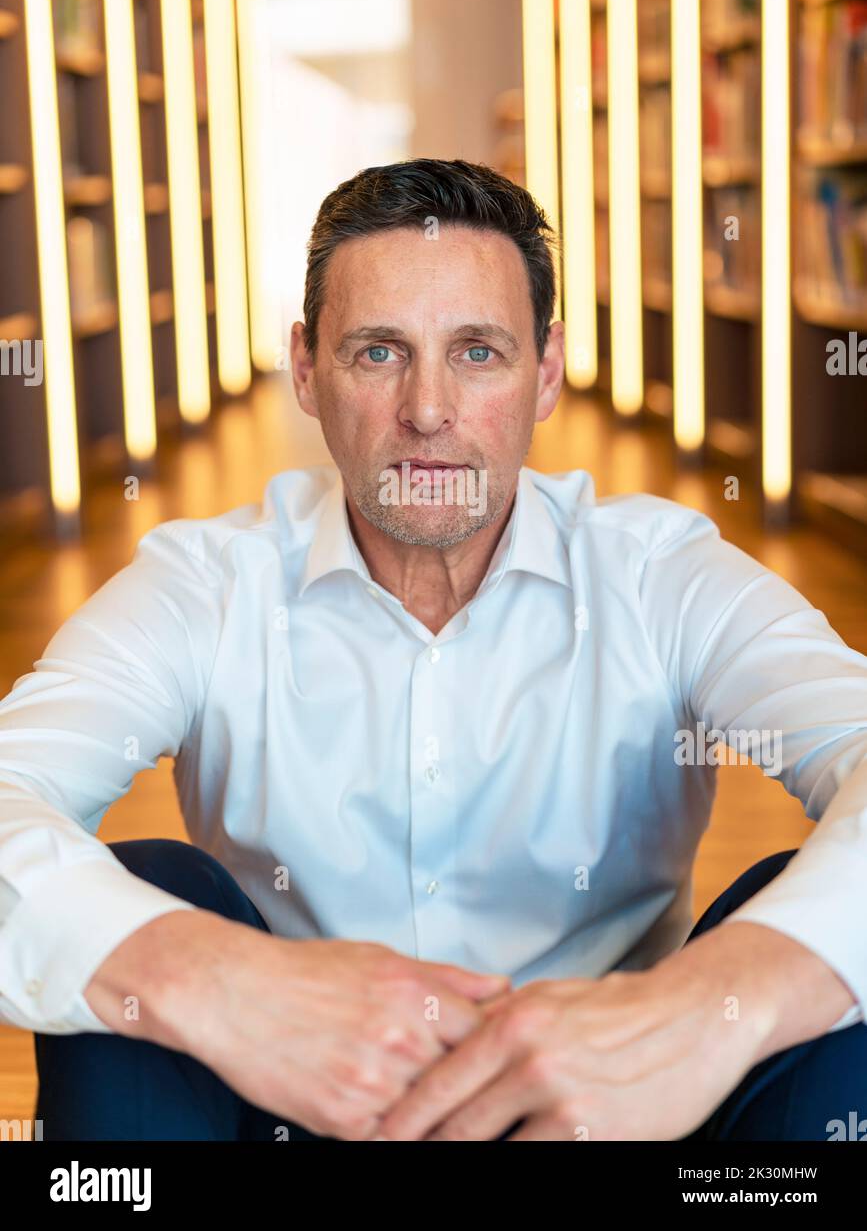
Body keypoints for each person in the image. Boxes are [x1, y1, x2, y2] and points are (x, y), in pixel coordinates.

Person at [1, 159, 865, 1142]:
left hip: (614, 1119)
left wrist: (721, 998)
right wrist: (207, 978)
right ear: (305, 369)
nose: (426, 409)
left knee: (814, 945)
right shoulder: (206, 586)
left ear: (545, 374)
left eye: (477, 353)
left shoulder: (659, 576)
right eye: (378, 353)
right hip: (285, 1114)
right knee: (147, 899)